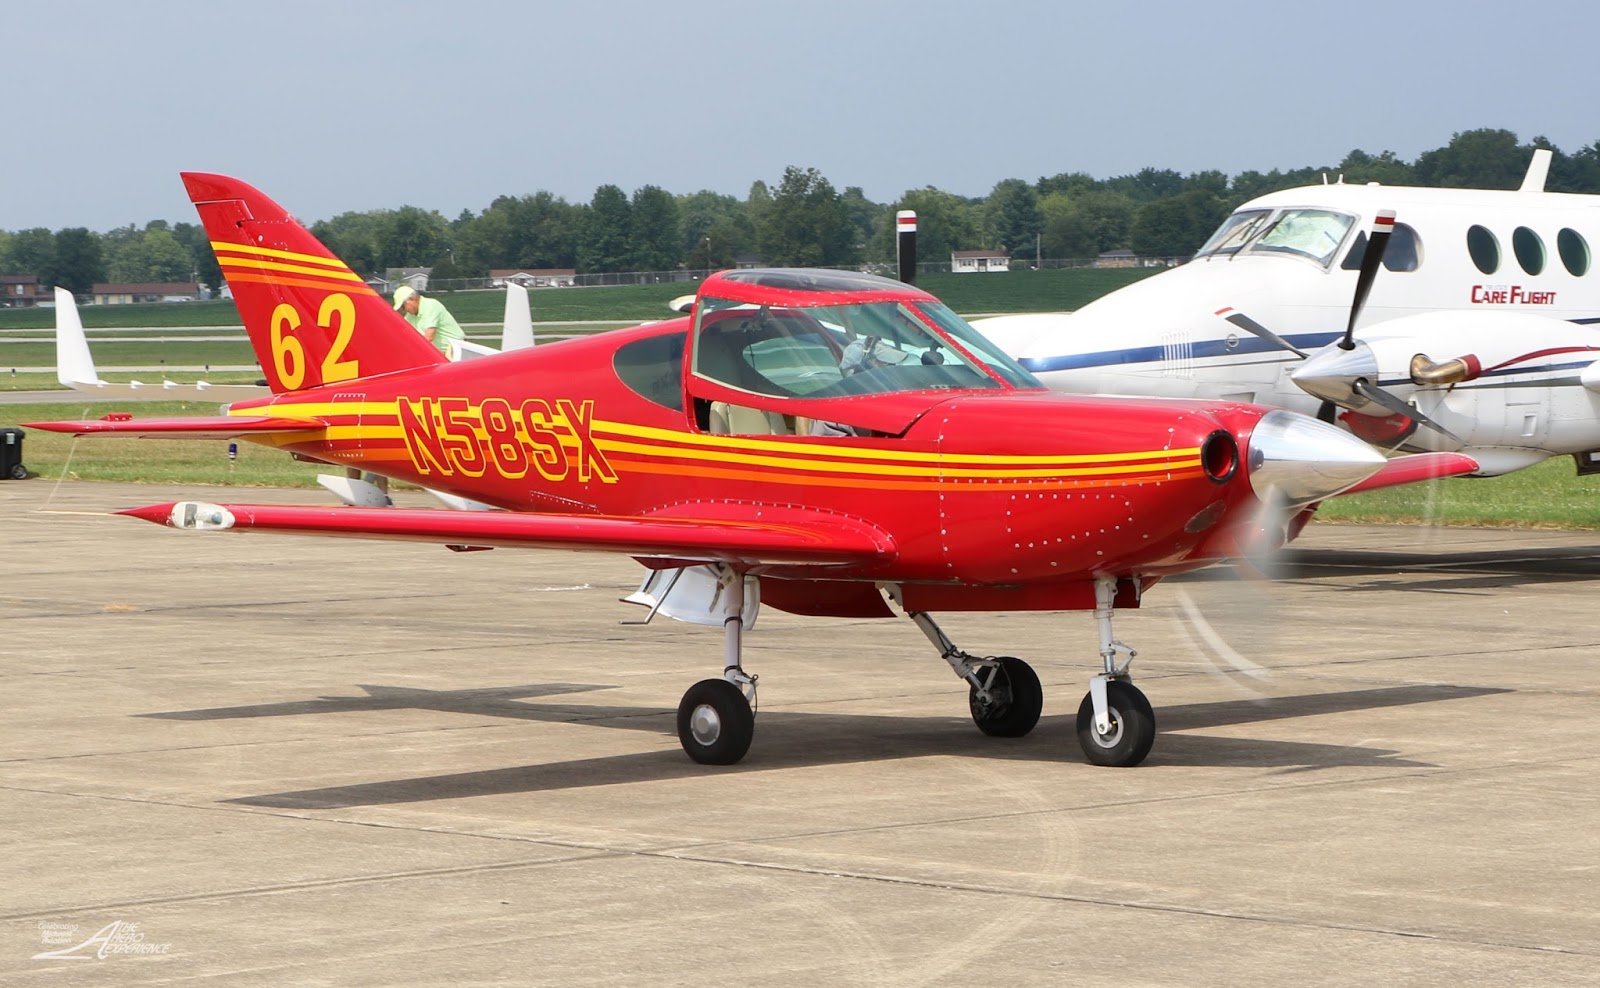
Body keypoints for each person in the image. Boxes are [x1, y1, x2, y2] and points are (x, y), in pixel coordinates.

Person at [393, 285, 465, 359]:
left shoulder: (431, 305)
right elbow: (403, 335)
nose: (404, 310)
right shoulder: (410, 316)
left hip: (456, 348)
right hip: (440, 352)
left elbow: (429, 336)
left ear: (412, 299)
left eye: (403, 306)